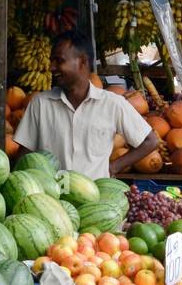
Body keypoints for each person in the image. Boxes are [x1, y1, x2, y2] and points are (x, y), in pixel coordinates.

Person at [11, 31, 158, 178]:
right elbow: (24, 155)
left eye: (59, 61)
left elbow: (150, 141)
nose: (52, 67)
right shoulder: (40, 104)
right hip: (51, 197)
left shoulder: (112, 104)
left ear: (83, 62)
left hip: (94, 196)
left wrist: (113, 167)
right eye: (51, 61)